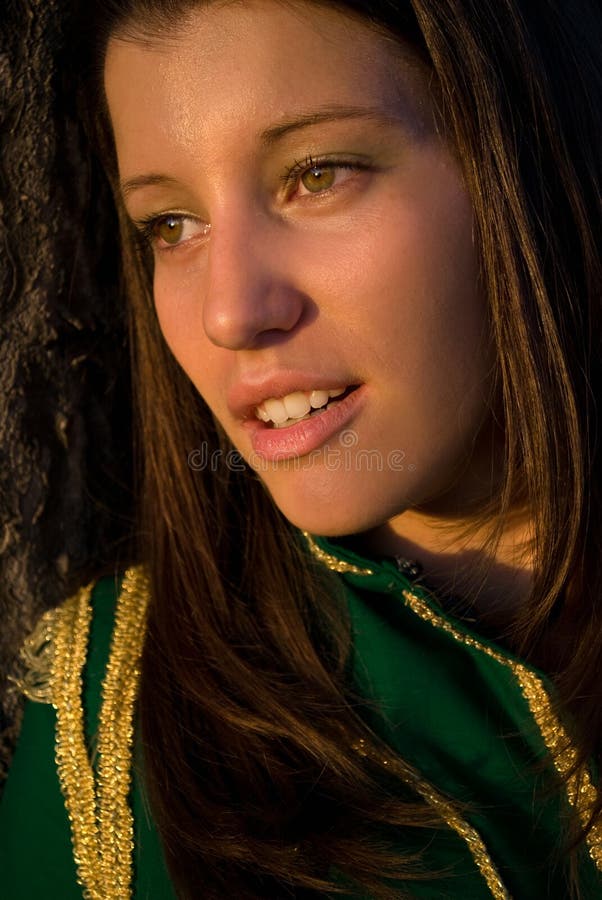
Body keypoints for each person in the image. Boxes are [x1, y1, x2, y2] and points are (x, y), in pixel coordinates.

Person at [0, 0, 600, 897]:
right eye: (171, 226)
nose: (230, 313)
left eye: (317, 174)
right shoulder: (114, 741)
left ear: (530, 149)